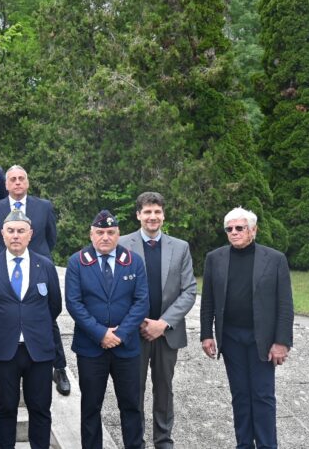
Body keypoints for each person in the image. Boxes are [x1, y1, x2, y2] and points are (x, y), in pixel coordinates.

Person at [200, 207, 293, 449]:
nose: (234, 232)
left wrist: (282, 342)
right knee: (240, 396)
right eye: (229, 229)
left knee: (262, 396)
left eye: (239, 228)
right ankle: (243, 444)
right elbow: (208, 300)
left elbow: (285, 304)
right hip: (230, 337)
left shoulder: (274, 259)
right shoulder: (215, 258)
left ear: (253, 230)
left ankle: (266, 445)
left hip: (262, 339)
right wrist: (206, 335)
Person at [0, 165, 70, 396]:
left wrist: (38, 259)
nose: (18, 182)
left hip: (38, 269)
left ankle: (59, 368)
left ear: (28, 182)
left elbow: (51, 238)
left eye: (22, 178)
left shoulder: (44, 206)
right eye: (13, 179)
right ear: (6, 184)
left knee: (48, 319)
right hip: (6, 271)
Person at [118, 192, 196, 449]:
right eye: (147, 212)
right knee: (134, 390)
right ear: (138, 214)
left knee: (164, 390)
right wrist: (139, 322)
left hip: (167, 333)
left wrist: (162, 324)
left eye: (157, 212)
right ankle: (135, 441)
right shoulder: (122, 244)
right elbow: (117, 289)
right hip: (134, 333)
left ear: (163, 215)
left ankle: (163, 441)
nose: (153, 217)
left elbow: (189, 291)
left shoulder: (181, 247)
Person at [66, 210, 149, 449]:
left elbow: (141, 302)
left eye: (110, 232)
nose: (105, 237)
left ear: (118, 234)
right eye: (100, 232)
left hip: (127, 348)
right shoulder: (77, 262)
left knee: (132, 406)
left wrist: (120, 334)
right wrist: (101, 333)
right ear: (91, 235)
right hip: (91, 349)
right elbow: (74, 303)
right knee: (91, 407)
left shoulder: (133, 261)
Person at [0, 209, 62, 449]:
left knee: (40, 408)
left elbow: (54, 306)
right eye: (11, 231)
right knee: (5, 408)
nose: (15, 236)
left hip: (38, 351)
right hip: (3, 350)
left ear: (30, 234)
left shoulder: (45, 266)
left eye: (20, 231)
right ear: (2, 234)